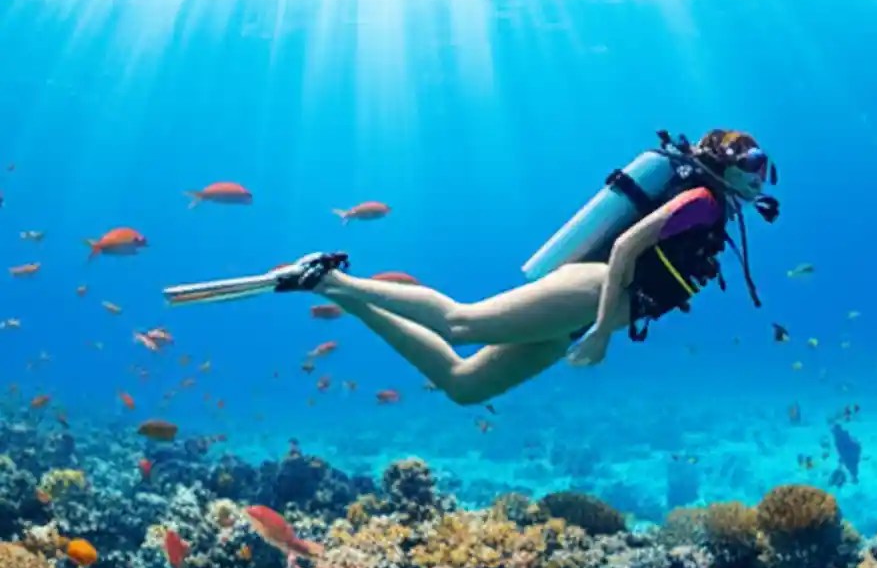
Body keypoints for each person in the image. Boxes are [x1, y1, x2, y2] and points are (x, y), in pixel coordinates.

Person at [166, 130, 780, 405]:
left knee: (465, 387)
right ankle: (338, 278)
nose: (759, 178)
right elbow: (624, 250)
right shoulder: (700, 201)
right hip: (593, 297)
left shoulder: (713, 206)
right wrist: (598, 334)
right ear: (725, 166)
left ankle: (337, 289)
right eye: (753, 165)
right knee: (460, 323)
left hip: (592, 313)